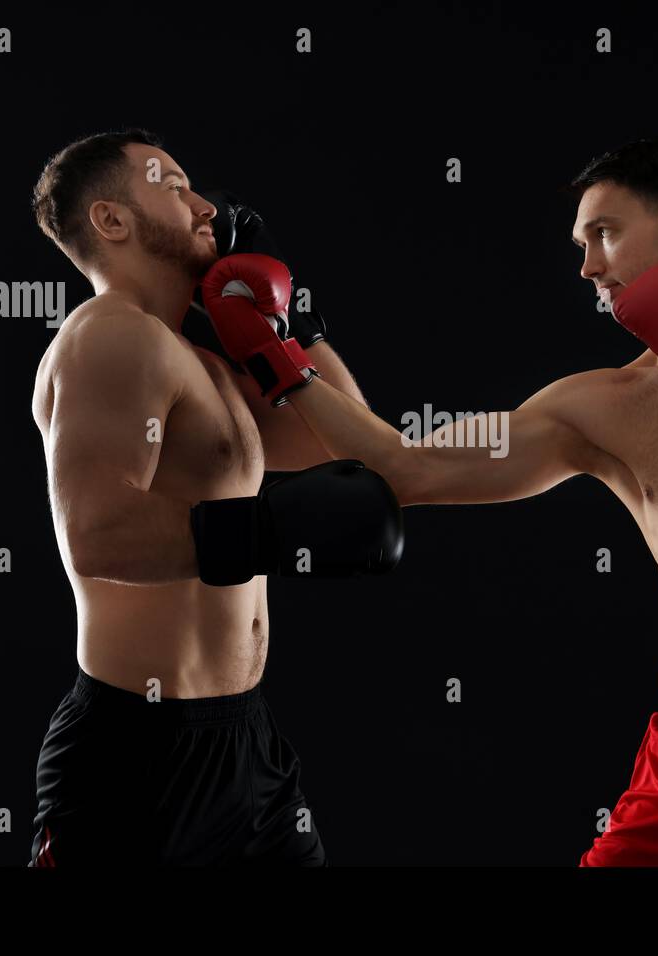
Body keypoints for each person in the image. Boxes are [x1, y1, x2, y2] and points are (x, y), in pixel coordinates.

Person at [239, 137, 658, 866]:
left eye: (603, 232)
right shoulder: (601, 406)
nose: (587, 266)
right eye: (580, 244)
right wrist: (282, 346)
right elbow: (402, 466)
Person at [26, 128, 401, 865]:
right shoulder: (108, 338)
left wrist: (286, 325)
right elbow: (97, 535)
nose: (206, 206)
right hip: (134, 759)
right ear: (112, 220)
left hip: (245, 745)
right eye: (172, 185)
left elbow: (352, 445)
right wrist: (269, 530)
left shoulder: (201, 361)